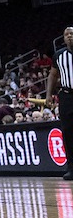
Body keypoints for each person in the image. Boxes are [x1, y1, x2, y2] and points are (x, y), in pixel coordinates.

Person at [46, 26, 73, 181]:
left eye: (71, 34)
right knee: (68, 132)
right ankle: (71, 167)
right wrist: (49, 94)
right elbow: (52, 75)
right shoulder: (59, 55)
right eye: (66, 34)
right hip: (67, 96)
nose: (69, 36)